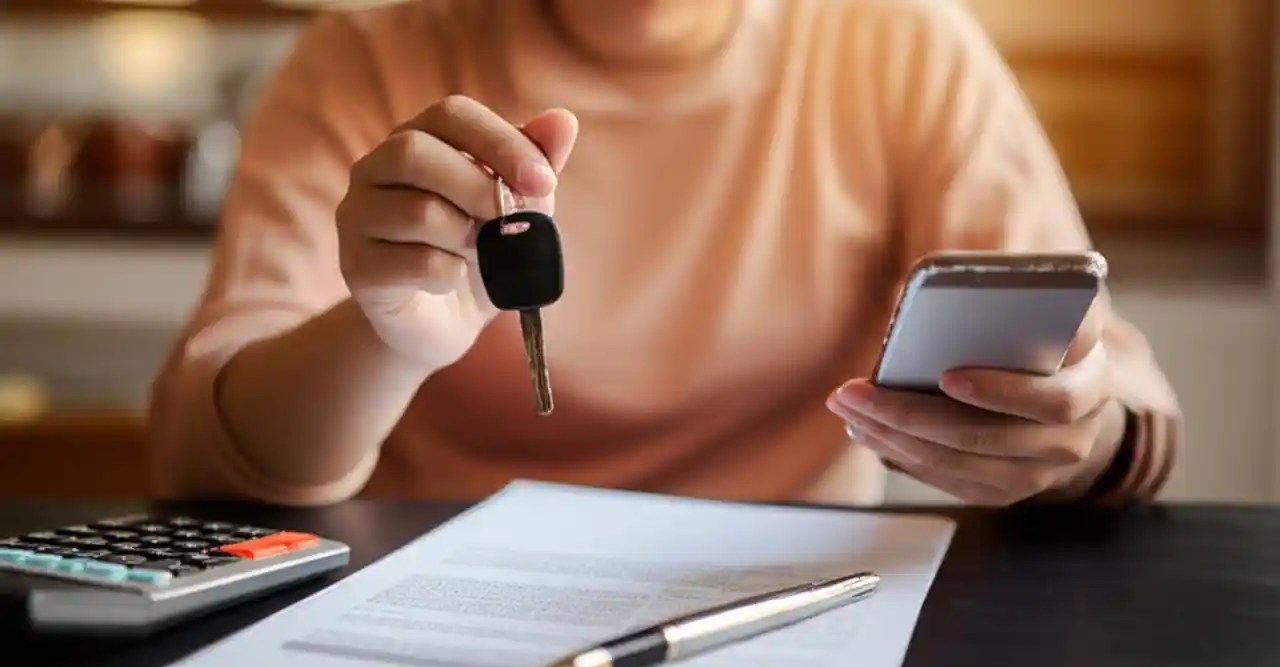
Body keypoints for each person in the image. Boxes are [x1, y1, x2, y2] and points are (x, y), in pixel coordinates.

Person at [149, 0, 1180, 507]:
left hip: (783, 626)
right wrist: (384, 338)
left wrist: (1071, 441)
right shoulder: (363, 53)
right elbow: (200, 458)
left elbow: (1117, 394)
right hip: (422, 639)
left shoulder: (898, 41)